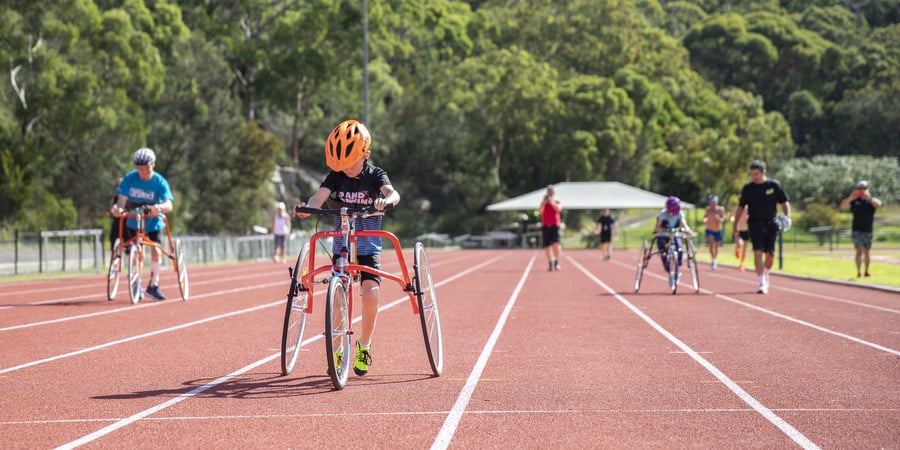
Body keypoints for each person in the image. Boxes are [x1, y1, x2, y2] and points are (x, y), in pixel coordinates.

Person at [293, 120, 400, 376]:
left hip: (368, 243)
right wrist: (307, 209)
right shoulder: (336, 176)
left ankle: (364, 345)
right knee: (337, 293)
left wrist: (386, 202)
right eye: (340, 165)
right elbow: (318, 197)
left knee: (371, 291)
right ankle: (338, 348)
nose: (346, 170)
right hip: (341, 242)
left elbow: (393, 193)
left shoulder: (376, 175)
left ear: (366, 155)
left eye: (351, 163)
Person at [110, 148, 175, 300]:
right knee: (137, 252)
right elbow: (121, 201)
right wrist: (117, 209)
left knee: (156, 251)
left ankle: (153, 284)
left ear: (153, 165)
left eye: (146, 168)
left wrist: (158, 207)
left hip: (153, 221)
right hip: (134, 220)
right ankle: (136, 283)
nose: (143, 171)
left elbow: (169, 205)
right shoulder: (129, 179)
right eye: (139, 168)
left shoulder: (160, 182)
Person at [732, 160, 791, 294]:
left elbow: (784, 202)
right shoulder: (748, 188)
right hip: (754, 222)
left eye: (757, 174)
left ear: (764, 172)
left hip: (771, 222)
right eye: (752, 174)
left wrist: (787, 216)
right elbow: (741, 207)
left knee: (770, 255)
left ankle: (765, 273)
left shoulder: (774, 186)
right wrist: (735, 224)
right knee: (757, 251)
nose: (754, 177)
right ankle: (761, 282)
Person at [839, 180, 882, 278]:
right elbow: (843, 206)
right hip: (857, 230)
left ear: (867, 189)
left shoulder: (871, 200)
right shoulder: (854, 201)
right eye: (859, 188)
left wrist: (869, 198)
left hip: (868, 230)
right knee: (859, 250)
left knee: (867, 251)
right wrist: (851, 197)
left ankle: (866, 270)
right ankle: (858, 272)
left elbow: (878, 204)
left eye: (863, 188)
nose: (861, 190)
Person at [653, 196, 692, 287]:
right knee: (664, 253)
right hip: (663, 237)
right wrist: (661, 230)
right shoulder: (662, 214)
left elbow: (684, 224)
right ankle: (670, 272)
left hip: (674, 236)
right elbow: (656, 227)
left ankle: (677, 270)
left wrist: (687, 230)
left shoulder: (680, 214)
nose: (673, 215)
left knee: (679, 250)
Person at [539, 184, 563, 271]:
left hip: (555, 225)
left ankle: (556, 261)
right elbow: (540, 211)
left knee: (556, 244)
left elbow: (559, 209)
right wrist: (544, 203)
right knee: (547, 246)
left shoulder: (557, 201)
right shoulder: (543, 202)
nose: (550, 192)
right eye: (548, 191)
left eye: (551, 191)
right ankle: (550, 263)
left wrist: (552, 202)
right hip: (546, 226)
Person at [702, 195, 726, 270]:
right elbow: (705, 217)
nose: (713, 204)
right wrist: (704, 220)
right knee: (711, 244)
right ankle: (713, 260)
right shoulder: (707, 209)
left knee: (716, 246)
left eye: (714, 202)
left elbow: (724, 219)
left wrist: (719, 219)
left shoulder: (721, 209)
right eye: (711, 202)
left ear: (717, 202)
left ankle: (715, 259)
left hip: (718, 230)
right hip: (709, 230)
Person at [729, 204, 750, 272]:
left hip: (746, 230)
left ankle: (741, 264)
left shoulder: (749, 208)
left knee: (744, 249)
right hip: (738, 230)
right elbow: (731, 216)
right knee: (739, 244)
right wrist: (732, 220)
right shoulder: (735, 208)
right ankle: (737, 248)